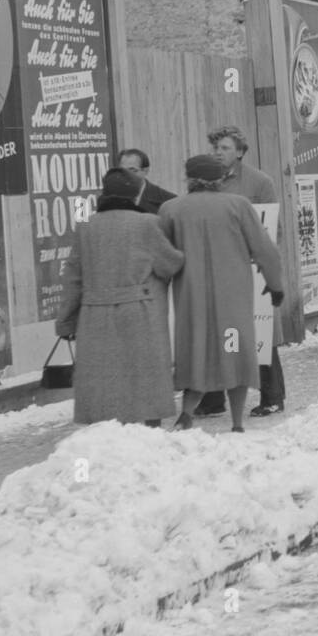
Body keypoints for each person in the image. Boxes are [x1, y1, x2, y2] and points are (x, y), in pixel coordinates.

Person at [159, 155, 284, 433]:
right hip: (232, 302)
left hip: (191, 303)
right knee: (234, 355)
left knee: (196, 354)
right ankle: (237, 422)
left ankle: (187, 413)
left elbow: (161, 258)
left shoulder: (171, 210)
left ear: (189, 179)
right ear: (218, 179)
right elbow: (265, 251)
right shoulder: (238, 205)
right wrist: (275, 286)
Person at [54, 167, 184, 428]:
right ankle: (149, 438)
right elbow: (169, 265)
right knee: (144, 382)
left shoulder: (86, 227)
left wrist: (66, 321)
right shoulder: (148, 223)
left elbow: (73, 277)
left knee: (105, 385)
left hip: (95, 315)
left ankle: (106, 439)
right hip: (139, 311)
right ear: (135, 196)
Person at [207, 123, 287, 416]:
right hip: (220, 268)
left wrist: (263, 262)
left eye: (225, 148)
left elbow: (273, 228)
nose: (218, 153)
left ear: (240, 152)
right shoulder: (208, 183)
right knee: (217, 330)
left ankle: (273, 395)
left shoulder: (260, 182)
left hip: (253, 267)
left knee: (259, 330)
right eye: (215, 148)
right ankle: (213, 398)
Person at [116, 147, 176, 214]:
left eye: (132, 170)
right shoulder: (108, 201)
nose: (126, 175)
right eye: (122, 171)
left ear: (145, 171)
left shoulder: (168, 201)